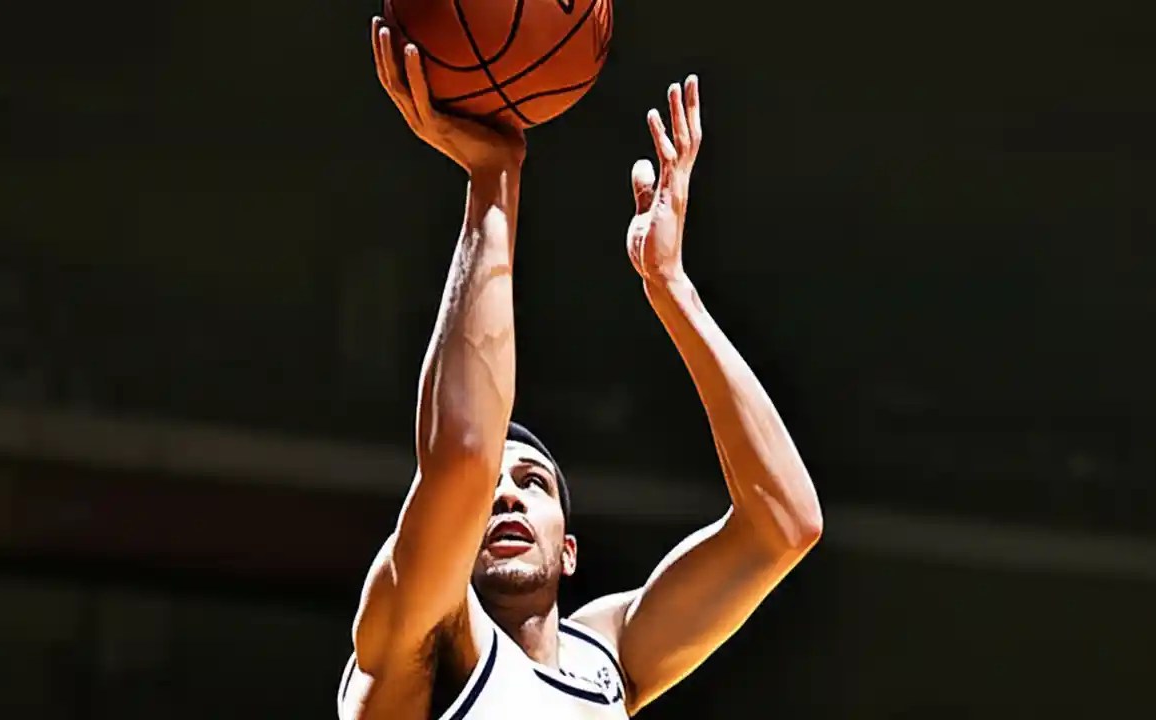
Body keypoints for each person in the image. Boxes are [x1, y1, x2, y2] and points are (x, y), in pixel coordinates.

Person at [338, 18, 824, 720]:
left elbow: (786, 523)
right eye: (488, 495)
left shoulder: (608, 661)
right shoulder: (412, 643)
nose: (503, 496)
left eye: (531, 482)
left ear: (568, 549)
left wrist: (672, 288)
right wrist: (493, 181)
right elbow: (465, 457)